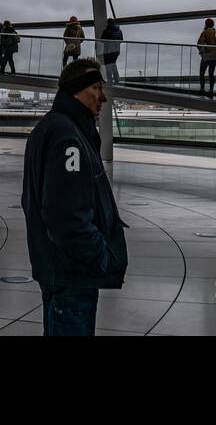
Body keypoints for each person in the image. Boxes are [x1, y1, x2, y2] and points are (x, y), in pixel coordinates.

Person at [22, 58, 127, 336]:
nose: (103, 97)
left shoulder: (54, 128)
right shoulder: (69, 139)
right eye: (96, 88)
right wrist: (100, 255)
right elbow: (65, 216)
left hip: (59, 268)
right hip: (72, 272)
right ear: (76, 91)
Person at [197, 18, 216, 95]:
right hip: (214, 56)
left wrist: (203, 50)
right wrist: (215, 50)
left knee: (202, 73)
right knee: (211, 73)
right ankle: (211, 90)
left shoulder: (204, 32)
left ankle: (202, 89)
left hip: (206, 56)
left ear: (206, 24)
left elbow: (199, 43)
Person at [99, 19, 123, 84]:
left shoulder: (106, 31)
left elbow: (102, 40)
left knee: (108, 65)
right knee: (113, 64)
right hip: (116, 51)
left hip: (108, 51)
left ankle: (110, 81)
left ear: (108, 23)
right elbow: (121, 40)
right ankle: (116, 79)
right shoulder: (119, 30)